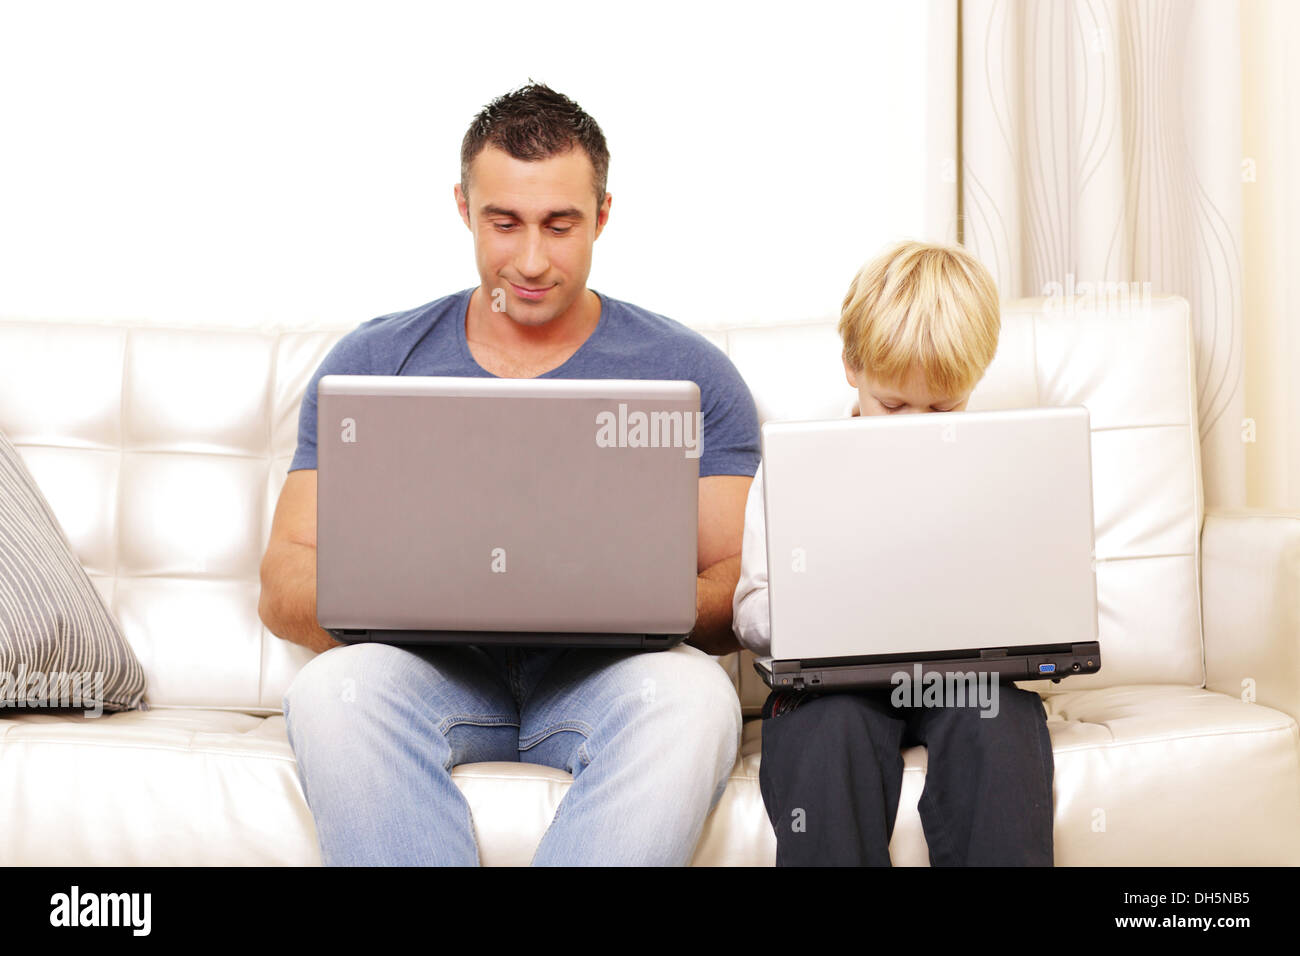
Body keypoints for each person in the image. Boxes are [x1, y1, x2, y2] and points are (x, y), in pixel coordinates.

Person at [259, 83, 759, 866]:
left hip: (609, 678)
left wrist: (619, 603)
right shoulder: (375, 362)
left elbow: (736, 581)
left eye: (561, 225)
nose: (531, 260)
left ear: (603, 214)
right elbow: (283, 578)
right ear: (463, 207)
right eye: (505, 223)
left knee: (696, 699)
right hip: (431, 675)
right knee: (331, 695)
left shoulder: (686, 372)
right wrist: (406, 601)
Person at [732, 241, 1055, 866]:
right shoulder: (797, 464)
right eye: (893, 404)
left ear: (975, 379)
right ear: (852, 366)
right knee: (828, 738)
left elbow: (1048, 588)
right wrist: (836, 600)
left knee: (997, 730)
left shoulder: (1008, 463)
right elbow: (749, 613)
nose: (913, 426)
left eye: (941, 408)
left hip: (967, 677)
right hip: (832, 687)